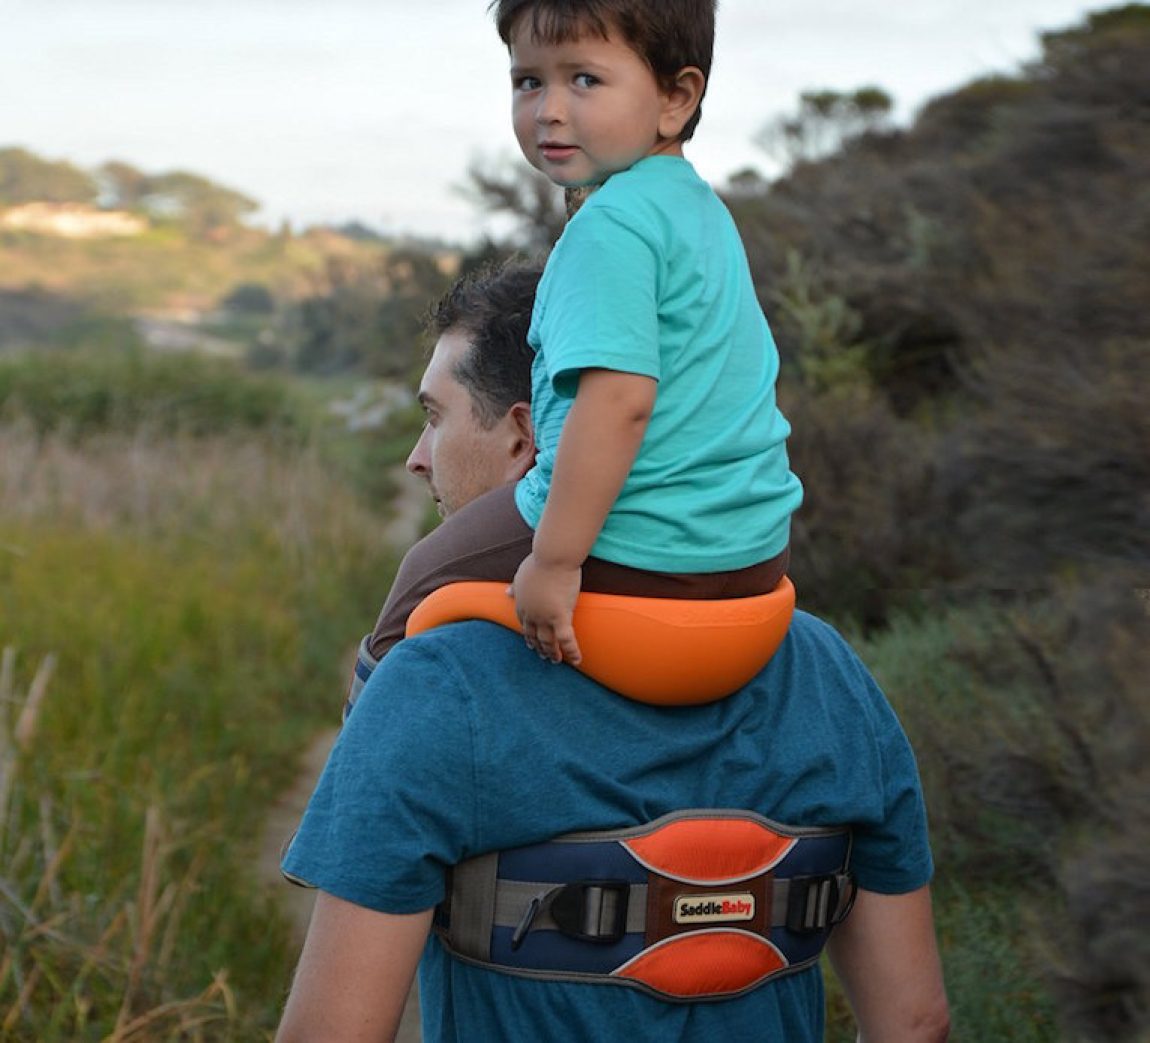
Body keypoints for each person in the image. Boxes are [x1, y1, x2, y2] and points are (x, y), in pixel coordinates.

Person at [275, 264, 950, 1042]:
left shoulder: (439, 685)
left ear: (527, 440)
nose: (417, 456)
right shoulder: (828, 672)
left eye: (436, 416)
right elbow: (916, 1021)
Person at [364, 0, 803, 675]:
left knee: (426, 570)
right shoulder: (699, 211)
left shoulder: (609, 229)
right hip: (750, 557)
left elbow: (618, 403)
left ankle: (373, 744)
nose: (549, 110)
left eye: (585, 80)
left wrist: (554, 560)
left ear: (675, 99)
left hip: (653, 553)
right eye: (528, 81)